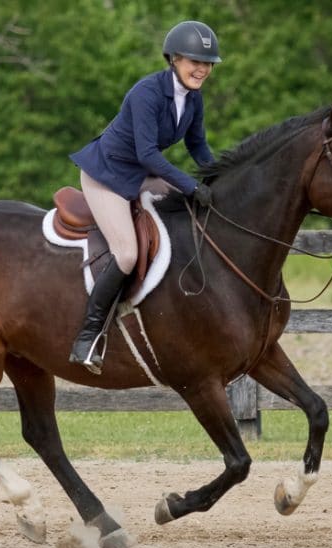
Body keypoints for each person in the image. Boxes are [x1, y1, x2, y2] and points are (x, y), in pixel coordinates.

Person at [67, 20, 222, 372]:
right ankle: (88, 337)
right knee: (126, 253)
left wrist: (219, 178)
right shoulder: (147, 93)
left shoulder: (193, 99)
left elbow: (197, 145)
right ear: (173, 59)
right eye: (194, 61)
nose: (202, 69)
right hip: (107, 174)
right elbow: (148, 154)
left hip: (140, 175)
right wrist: (192, 185)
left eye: (207, 63)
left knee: (185, 218)